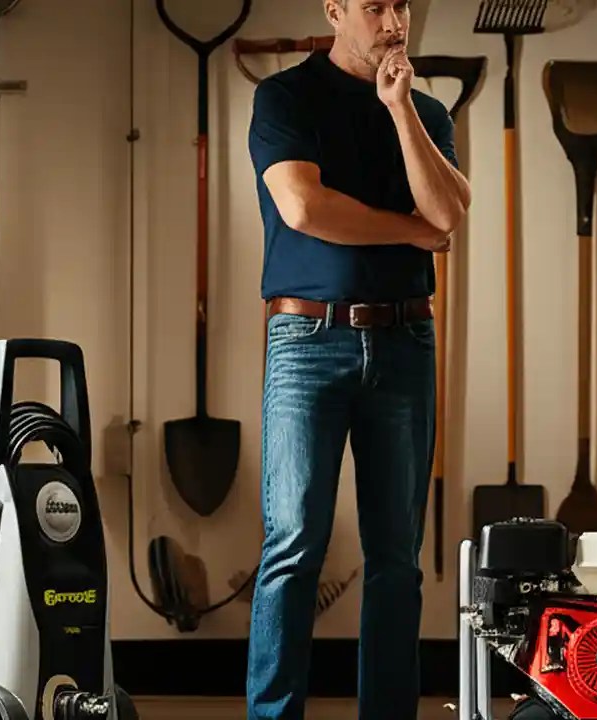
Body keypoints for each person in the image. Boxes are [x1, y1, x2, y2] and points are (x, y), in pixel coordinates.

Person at [244, 1, 471, 717]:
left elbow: (453, 213)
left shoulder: (427, 113)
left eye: (401, 4)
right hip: (307, 345)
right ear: (336, 10)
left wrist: (401, 110)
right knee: (292, 546)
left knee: (397, 559)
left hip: (405, 343)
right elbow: (305, 209)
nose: (393, 19)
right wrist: (411, 230)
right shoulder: (286, 97)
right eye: (374, 6)